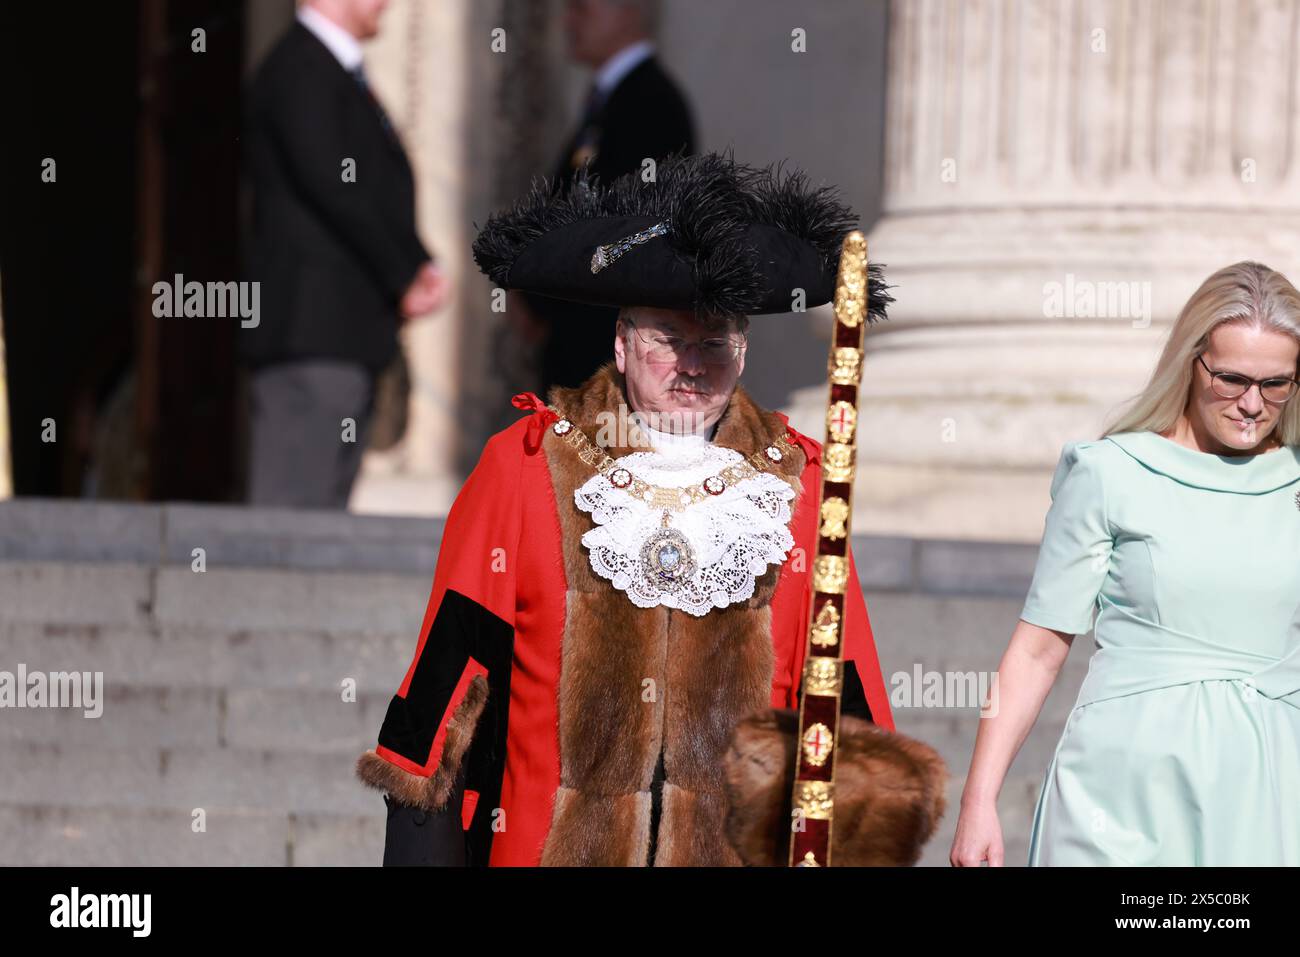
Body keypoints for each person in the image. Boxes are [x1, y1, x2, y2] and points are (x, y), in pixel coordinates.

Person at [353, 152, 935, 866]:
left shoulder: (801, 488)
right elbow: (441, 703)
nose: (693, 362)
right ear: (623, 345)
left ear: (744, 353)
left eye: (715, 341)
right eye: (669, 338)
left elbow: (847, 707)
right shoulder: (526, 465)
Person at [951, 261, 1300, 867]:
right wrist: (978, 800)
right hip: (1122, 793)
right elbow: (1037, 649)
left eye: (1276, 384)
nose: (1252, 404)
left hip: (1267, 786)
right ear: (1191, 361)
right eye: (1233, 378)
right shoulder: (1110, 473)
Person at [241, 0, 446, 509]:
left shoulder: (333, 69)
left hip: (342, 336)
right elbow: (334, 185)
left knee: (320, 519)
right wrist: (406, 271)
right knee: (288, 524)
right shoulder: (301, 68)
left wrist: (415, 262)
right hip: (311, 335)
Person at [527, 0, 696, 396]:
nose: (567, 22)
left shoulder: (652, 104)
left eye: (581, 9)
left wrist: (544, 299)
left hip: (605, 345)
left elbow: (627, 229)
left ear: (628, 10)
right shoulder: (610, 101)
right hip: (576, 338)